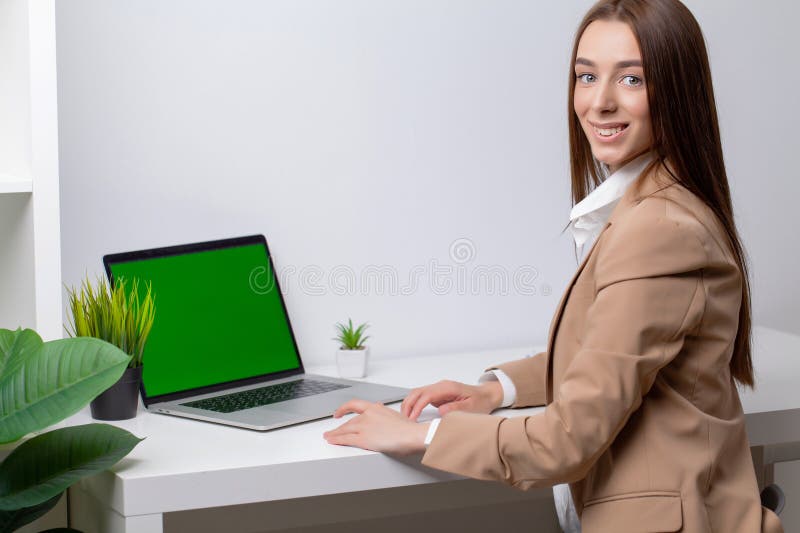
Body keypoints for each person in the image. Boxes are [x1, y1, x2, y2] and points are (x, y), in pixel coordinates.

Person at [323, 1, 784, 531]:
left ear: (676, 91)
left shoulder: (660, 228)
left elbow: (567, 440)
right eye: (586, 76)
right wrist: (497, 390)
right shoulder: (658, 205)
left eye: (631, 78)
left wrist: (420, 436)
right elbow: (612, 353)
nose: (599, 102)